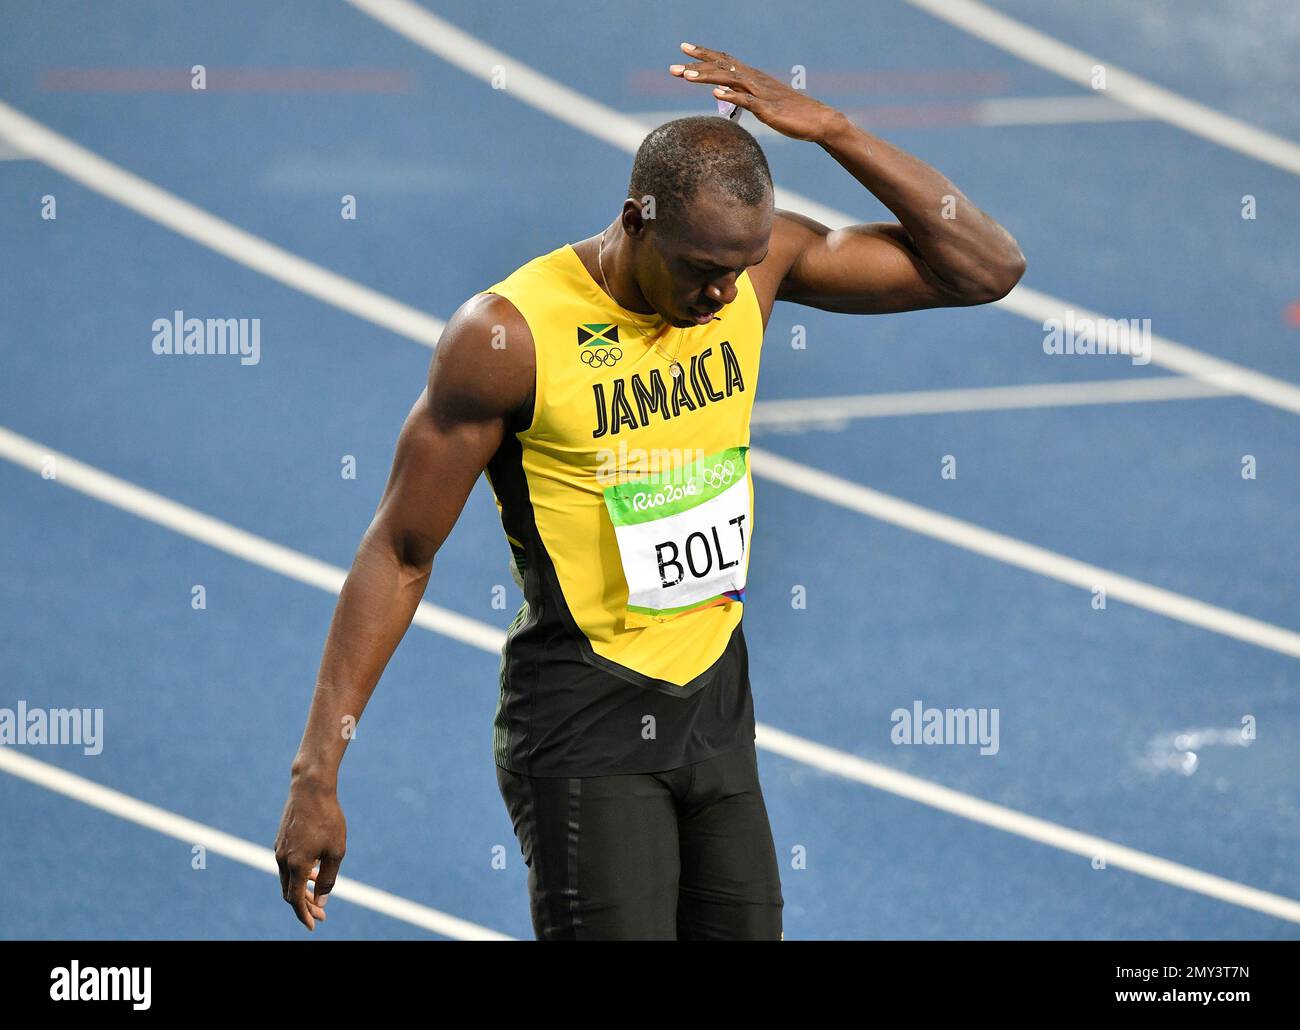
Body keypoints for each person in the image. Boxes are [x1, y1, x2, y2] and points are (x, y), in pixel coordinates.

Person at [274, 43, 1026, 940]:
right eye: (700, 268)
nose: (719, 294)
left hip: (713, 703)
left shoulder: (753, 267)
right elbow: (400, 550)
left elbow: (985, 269)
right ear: (635, 218)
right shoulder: (509, 337)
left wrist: (834, 130)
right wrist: (316, 776)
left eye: (737, 270)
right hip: (584, 717)